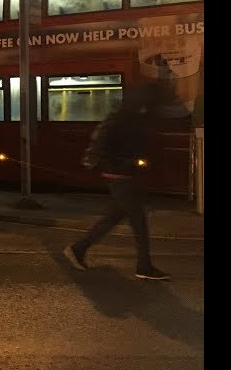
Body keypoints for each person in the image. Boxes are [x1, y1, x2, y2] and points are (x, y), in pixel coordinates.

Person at [64, 88, 170, 280]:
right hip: (120, 178)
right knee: (139, 223)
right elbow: (108, 149)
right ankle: (144, 267)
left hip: (123, 177)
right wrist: (123, 164)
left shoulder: (128, 118)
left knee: (112, 219)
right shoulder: (121, 121)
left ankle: (78, 249)